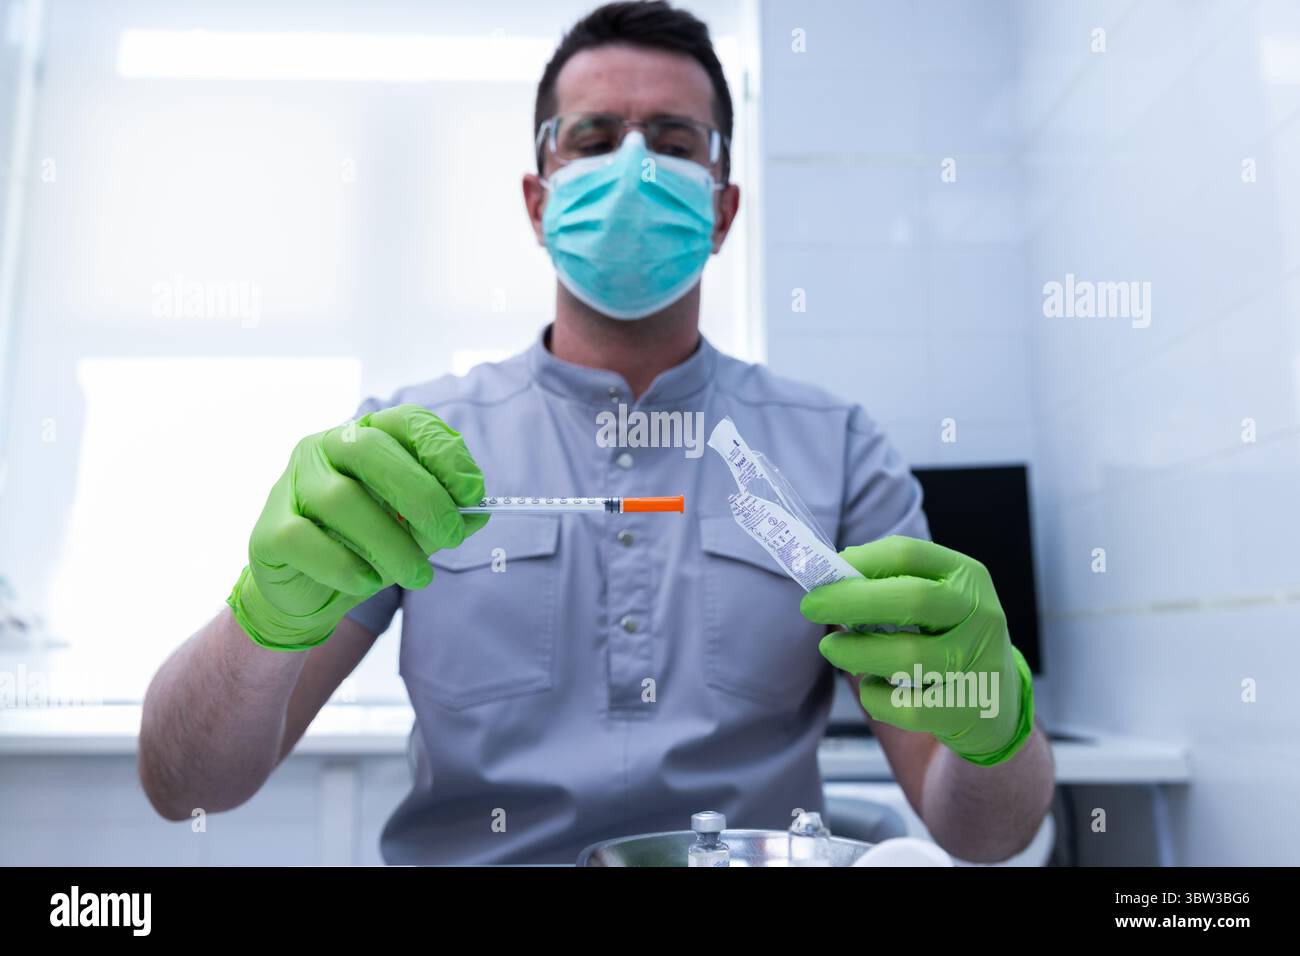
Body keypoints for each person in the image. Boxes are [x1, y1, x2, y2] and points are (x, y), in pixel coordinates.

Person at [139, 0, 1053, 865]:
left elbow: (983, 836)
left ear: (723, 208)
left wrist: (993, 717)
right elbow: (188, 791)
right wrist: (262, 621)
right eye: (594, 137)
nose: (633, 165)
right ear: (538, 202)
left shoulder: (838, 449)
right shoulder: (407, 444)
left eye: (673, 140)